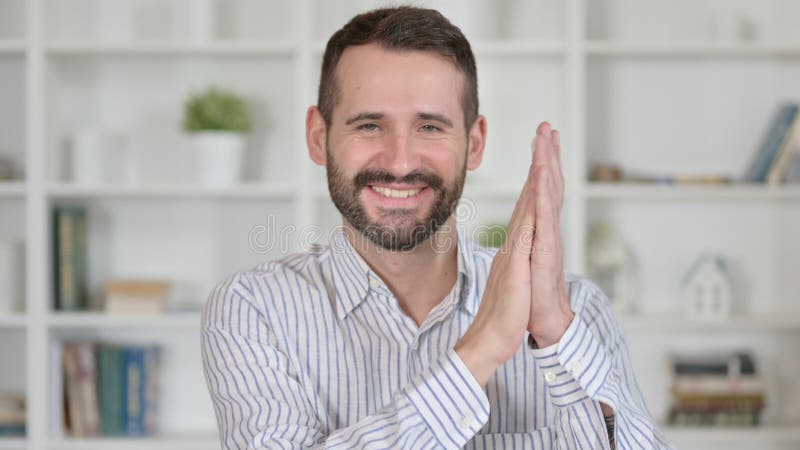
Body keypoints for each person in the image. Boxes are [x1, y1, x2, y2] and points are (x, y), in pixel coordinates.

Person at [201, 6, 672, 449]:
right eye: (369, 126)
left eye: (429, 127)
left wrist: (554, 335)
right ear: (319, 137)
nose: (400, 162)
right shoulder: (252, 310)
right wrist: (482, 348)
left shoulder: (578, 311)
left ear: (474, 142)